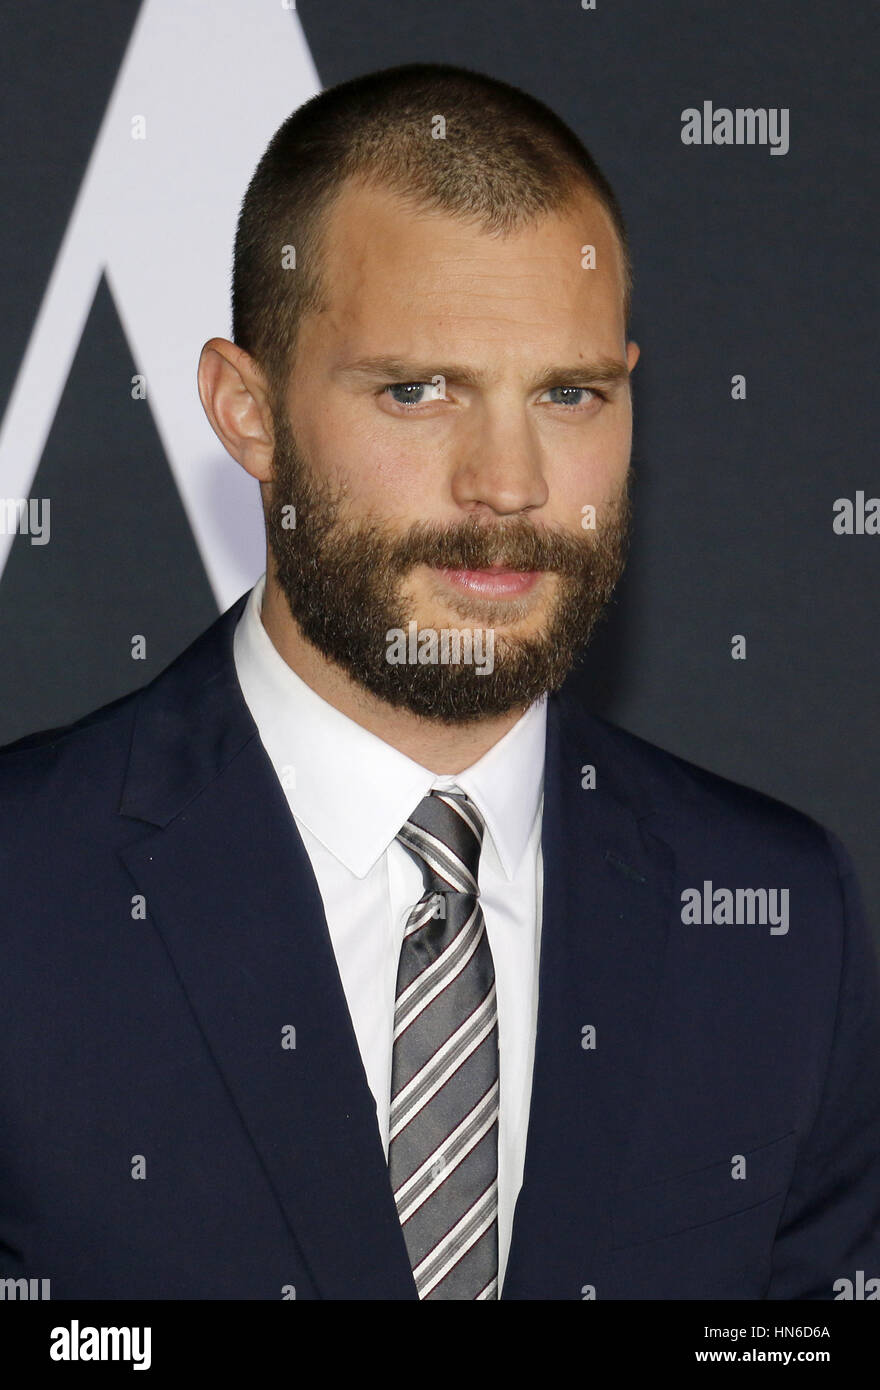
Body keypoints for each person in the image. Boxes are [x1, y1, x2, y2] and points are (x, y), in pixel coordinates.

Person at [1, 62, 878, 1301]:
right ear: (248, 413)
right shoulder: (23, 894)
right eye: (418, 391)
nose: (508, 483)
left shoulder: (777, 923)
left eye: (569, 394)